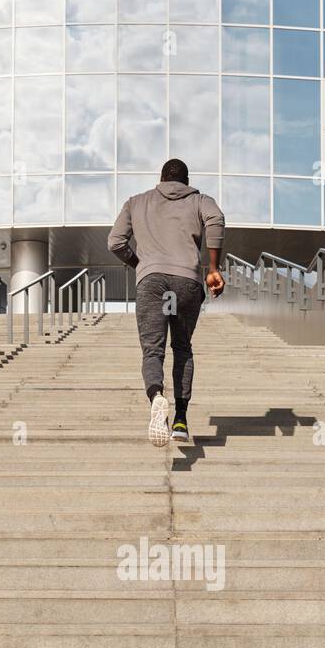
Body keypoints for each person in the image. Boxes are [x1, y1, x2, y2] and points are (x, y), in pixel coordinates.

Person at [107, 159, 225, 446]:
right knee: (182, 347)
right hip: (186, 281)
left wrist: (141, 264)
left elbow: (115, 242)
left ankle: (156, 395)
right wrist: (213, 267)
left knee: (153, 351)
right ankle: (181, 419)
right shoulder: (200, 201)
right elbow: (216, 220)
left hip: (152, 281)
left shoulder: (136, 202)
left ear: (160, 179)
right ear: (186, 181)